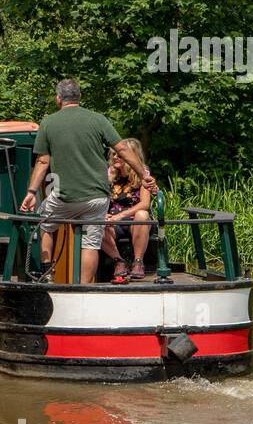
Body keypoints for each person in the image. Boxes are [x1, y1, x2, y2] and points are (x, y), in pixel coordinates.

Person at [20, 79, 157, 283]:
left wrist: (31, 193)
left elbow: (42, 160)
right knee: (91, 243)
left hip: (65, 197)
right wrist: (144, 175)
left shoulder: (48, 122)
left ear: (58, 99)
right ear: (79, 97)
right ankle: (84, 288)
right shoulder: (98, 119)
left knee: (46, 224)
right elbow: (122, 149)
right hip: (97, 198)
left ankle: (47, 275)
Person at [101, 139, 152, 282]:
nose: (115, 157)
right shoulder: (109, 173)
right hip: (113, 220)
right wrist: (103, 213)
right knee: (97, 220)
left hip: (134, 219)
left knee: (142, 214)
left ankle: (137, 262)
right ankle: (119, 261)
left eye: (119, 155)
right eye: (113, 154)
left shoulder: (143, 172)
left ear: (132, 156)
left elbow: (145, 204)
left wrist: (121, 215)